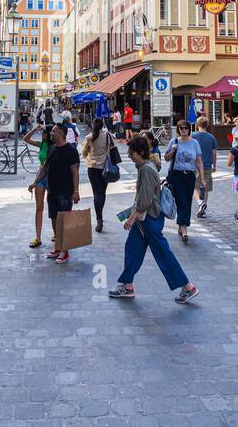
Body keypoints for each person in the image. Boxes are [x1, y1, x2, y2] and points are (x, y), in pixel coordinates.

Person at [107, 135, 199, 304]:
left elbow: (145, 198)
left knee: (163, 253)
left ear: (140, 152)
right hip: (146, 218)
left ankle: (187, 286)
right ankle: (127, 285)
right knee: (132, 248)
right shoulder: (145, 167)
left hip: (149, 218)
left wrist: (131, 217)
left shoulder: (146, 169)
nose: (129, 155)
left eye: (131, 152)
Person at [29, 124, 80, 263]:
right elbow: (45, 168)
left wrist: (76, 191)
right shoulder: (52, 149)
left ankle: (65, 251)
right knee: (54, 219)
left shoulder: (71, 150)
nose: (51, 132)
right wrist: (36, 182)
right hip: (52, 190)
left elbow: (75, 172)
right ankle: (58, 246)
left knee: (64, 221)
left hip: (65, 191)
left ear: (61, 133)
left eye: (54, 130)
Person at [163, 120, 204, 244]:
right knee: (181, 200)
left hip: (190, 175)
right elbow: (166, 158)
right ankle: (185, 229)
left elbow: (199, 161)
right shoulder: (174, 142)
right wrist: (173, 151)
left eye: (186, 128)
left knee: (187, 201)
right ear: (179, 130)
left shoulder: (194, 143)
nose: (184, 130)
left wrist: (202, 178)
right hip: (177, 175)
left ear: (189, 129)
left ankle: (181, 225)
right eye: (181, 128)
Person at [81, 118, 116, 233]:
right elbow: (113, 148)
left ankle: (99, 218)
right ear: (102, 125)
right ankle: (100, 215)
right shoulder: (107, 135)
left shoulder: (89, 137)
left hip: (92, 168)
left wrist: (90, 154)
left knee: (96, 193)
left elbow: (84, 152)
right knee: (102, 192)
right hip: (105, 168)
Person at [22, 121, 51, 248]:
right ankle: (38, 237)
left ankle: (56, 234)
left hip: (52, 178)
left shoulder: (54, 146)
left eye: (44, 133)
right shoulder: (42, 144)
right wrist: (36, 129)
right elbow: (26, 138)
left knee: (53, 208)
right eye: (42, 132)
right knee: (39, 208)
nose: (42, 134)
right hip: (40, 178)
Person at [192, 117, 218, 219]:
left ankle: (199, 203)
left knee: (195, 187)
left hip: (195, 165)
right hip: (207, 165)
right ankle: (203, 209)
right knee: (205, 188)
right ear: (207, 125)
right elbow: (214, 153)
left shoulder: (193, 136)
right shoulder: (211, 137)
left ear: (197, 125)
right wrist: (214, 165)